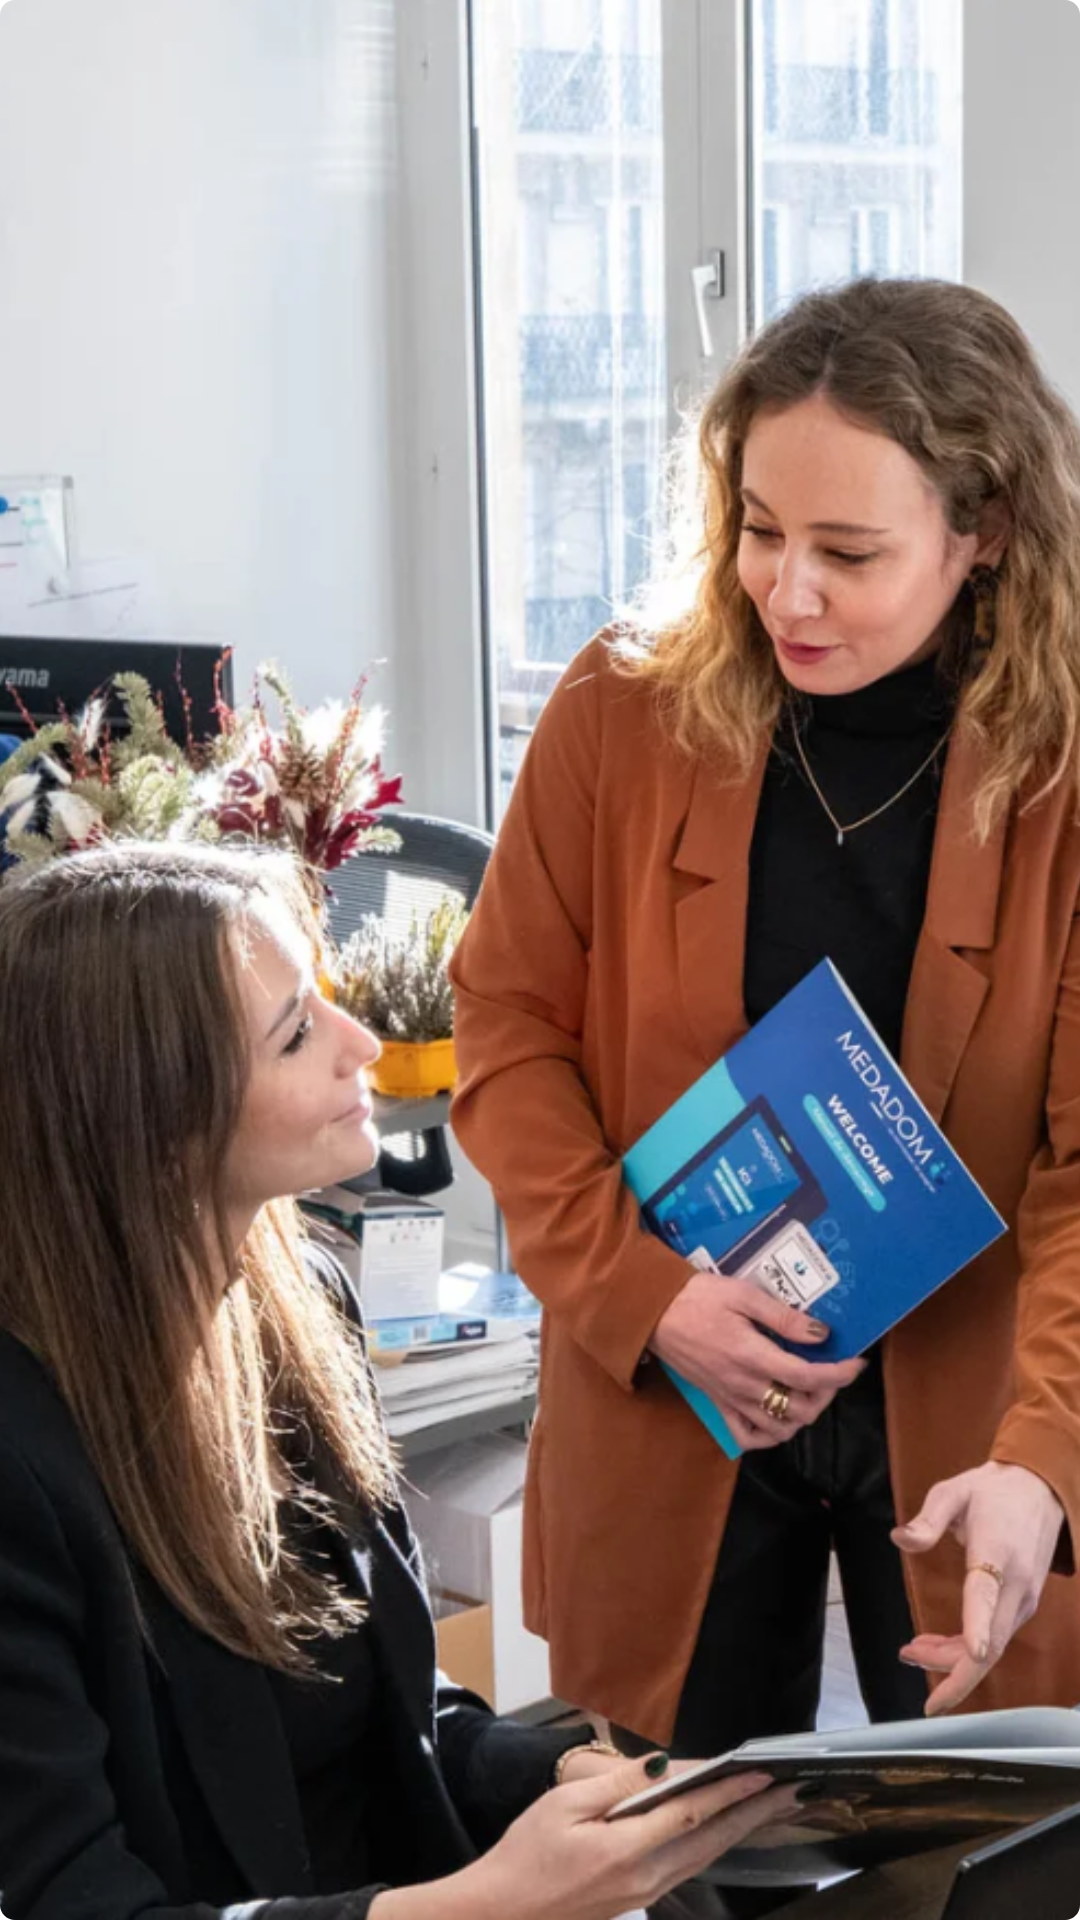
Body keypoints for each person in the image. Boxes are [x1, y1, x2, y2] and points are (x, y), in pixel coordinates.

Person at [450, 277, 1080, 1766]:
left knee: (977, 1834)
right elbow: (508, 1026)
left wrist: (1047, 1456)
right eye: (759, 529)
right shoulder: (620, 709)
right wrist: (640, 1294)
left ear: (985, 531)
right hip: (670, 1380)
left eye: (848, 553)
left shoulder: (1061, 772)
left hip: (976, 1407)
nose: (787, 593)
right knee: (660, 1826)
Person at [0, 840, 799, 1920]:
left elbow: (396, 1710)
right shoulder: (23, 1463)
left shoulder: (302, 1303)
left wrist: (570, 1775)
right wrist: (495, 1905)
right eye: (296, 1033)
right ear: (152, 1124)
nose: (364, 1044)